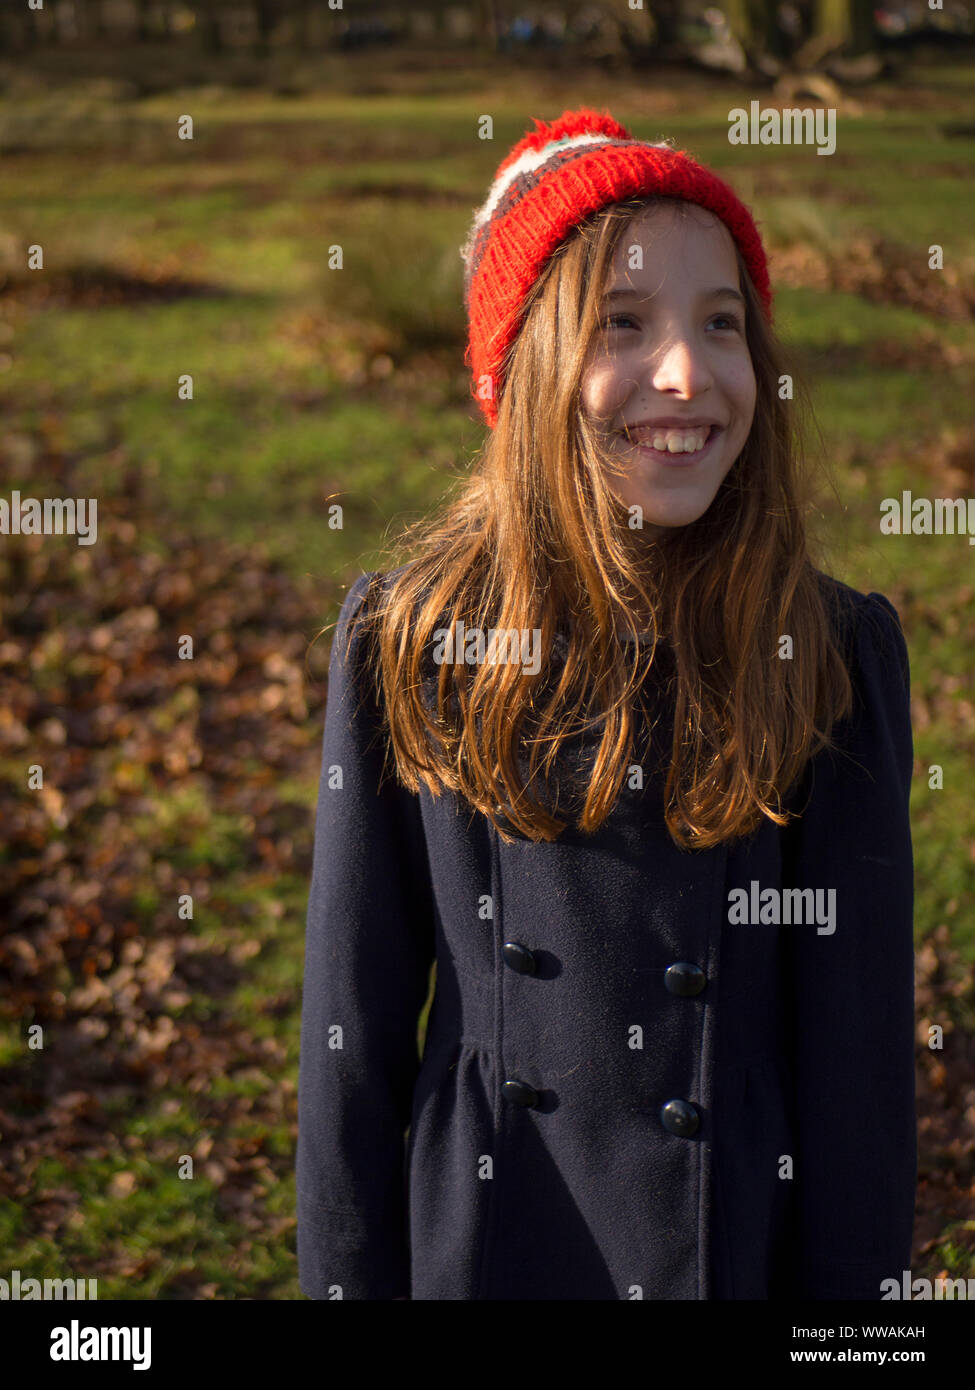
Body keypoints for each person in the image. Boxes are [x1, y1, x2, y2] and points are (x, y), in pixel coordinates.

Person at [296, 108, 916, 1301]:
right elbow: (352, 1050)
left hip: (737, 1252)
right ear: (526, 370)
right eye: (622, 324)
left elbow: (859, 1078)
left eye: (721, 322)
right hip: (483, 1246)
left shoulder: (831, 651)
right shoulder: (413, 643)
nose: (687, 371)